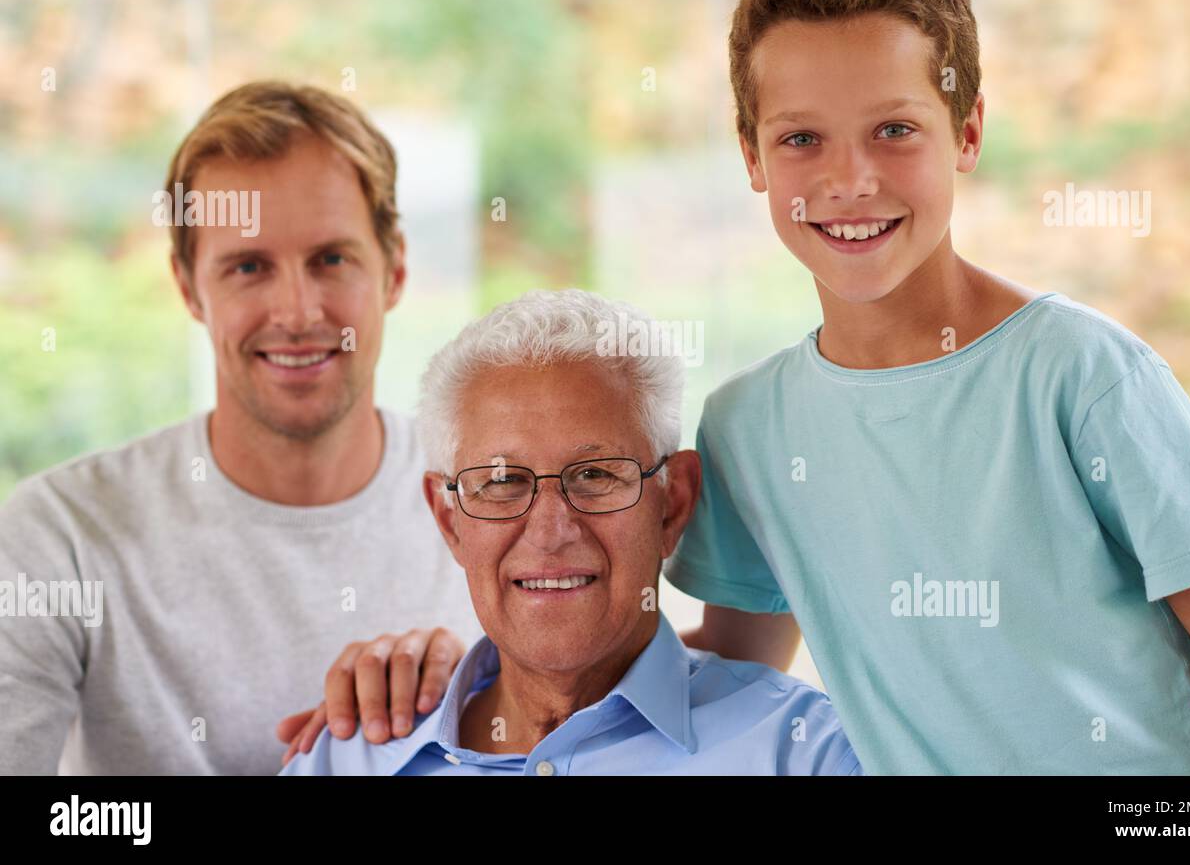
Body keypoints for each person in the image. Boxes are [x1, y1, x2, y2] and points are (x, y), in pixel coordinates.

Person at [281, 0, 1190, 775]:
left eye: (894, 130)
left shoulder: (1079, 376)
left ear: (969, 132)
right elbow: (708, 678)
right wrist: (454, 678)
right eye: (803, 140)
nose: (851, 181)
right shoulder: (751, 427)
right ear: (750, 155)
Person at [0, 81, 481, 774]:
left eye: (331, 258)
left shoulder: (499, 509)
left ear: (395, 268)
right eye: (249, 266)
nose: (296, 311)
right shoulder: (62, 535)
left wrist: (480, 698)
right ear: (190, 287)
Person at [283, 289, 859, 775]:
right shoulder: (343, 757)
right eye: (502, 481)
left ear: (673, 503)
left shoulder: (807, 753)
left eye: (595, 475)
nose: (551, 531)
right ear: (449, 519)